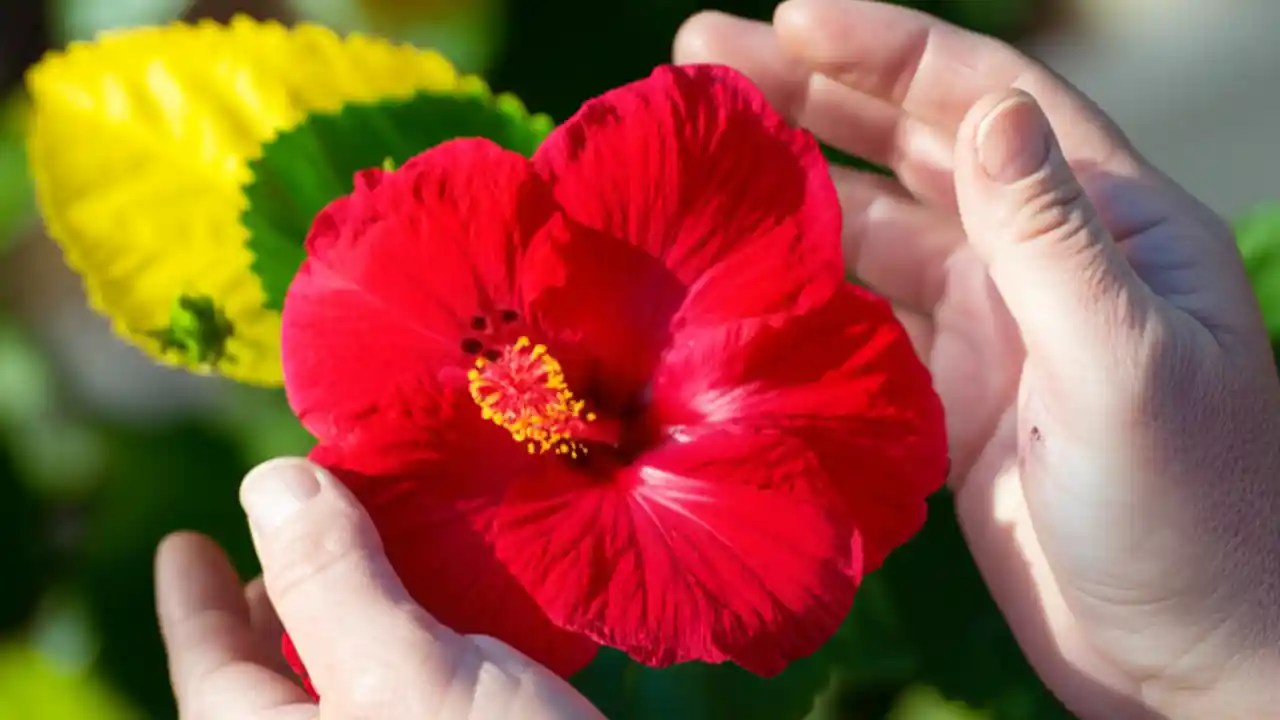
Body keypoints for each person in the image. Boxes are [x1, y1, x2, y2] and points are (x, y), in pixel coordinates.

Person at [153, 0, 1280, 717]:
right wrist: (1220, 657)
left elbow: (713, 171)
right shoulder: (469, 481)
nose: (520, 396)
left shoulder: (702, 293)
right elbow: (364, 275)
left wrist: (1226, 643)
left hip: (684, 412)